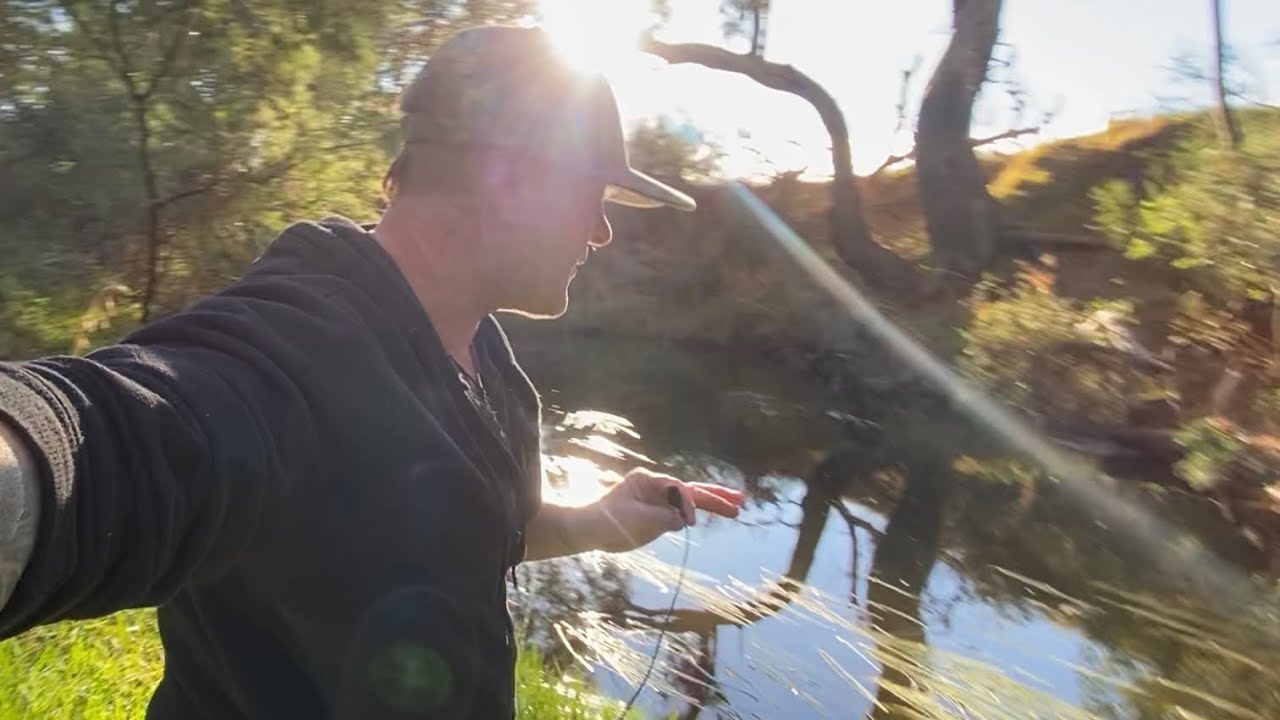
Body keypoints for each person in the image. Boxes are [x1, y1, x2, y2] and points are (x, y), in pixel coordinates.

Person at [0, 25, 746, 719]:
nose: (602, 230)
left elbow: (480, 528)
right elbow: (114, 445)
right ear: (515, 180)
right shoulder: (285, 364)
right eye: (594, 196)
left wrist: (597, 521)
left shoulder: (488, 358)